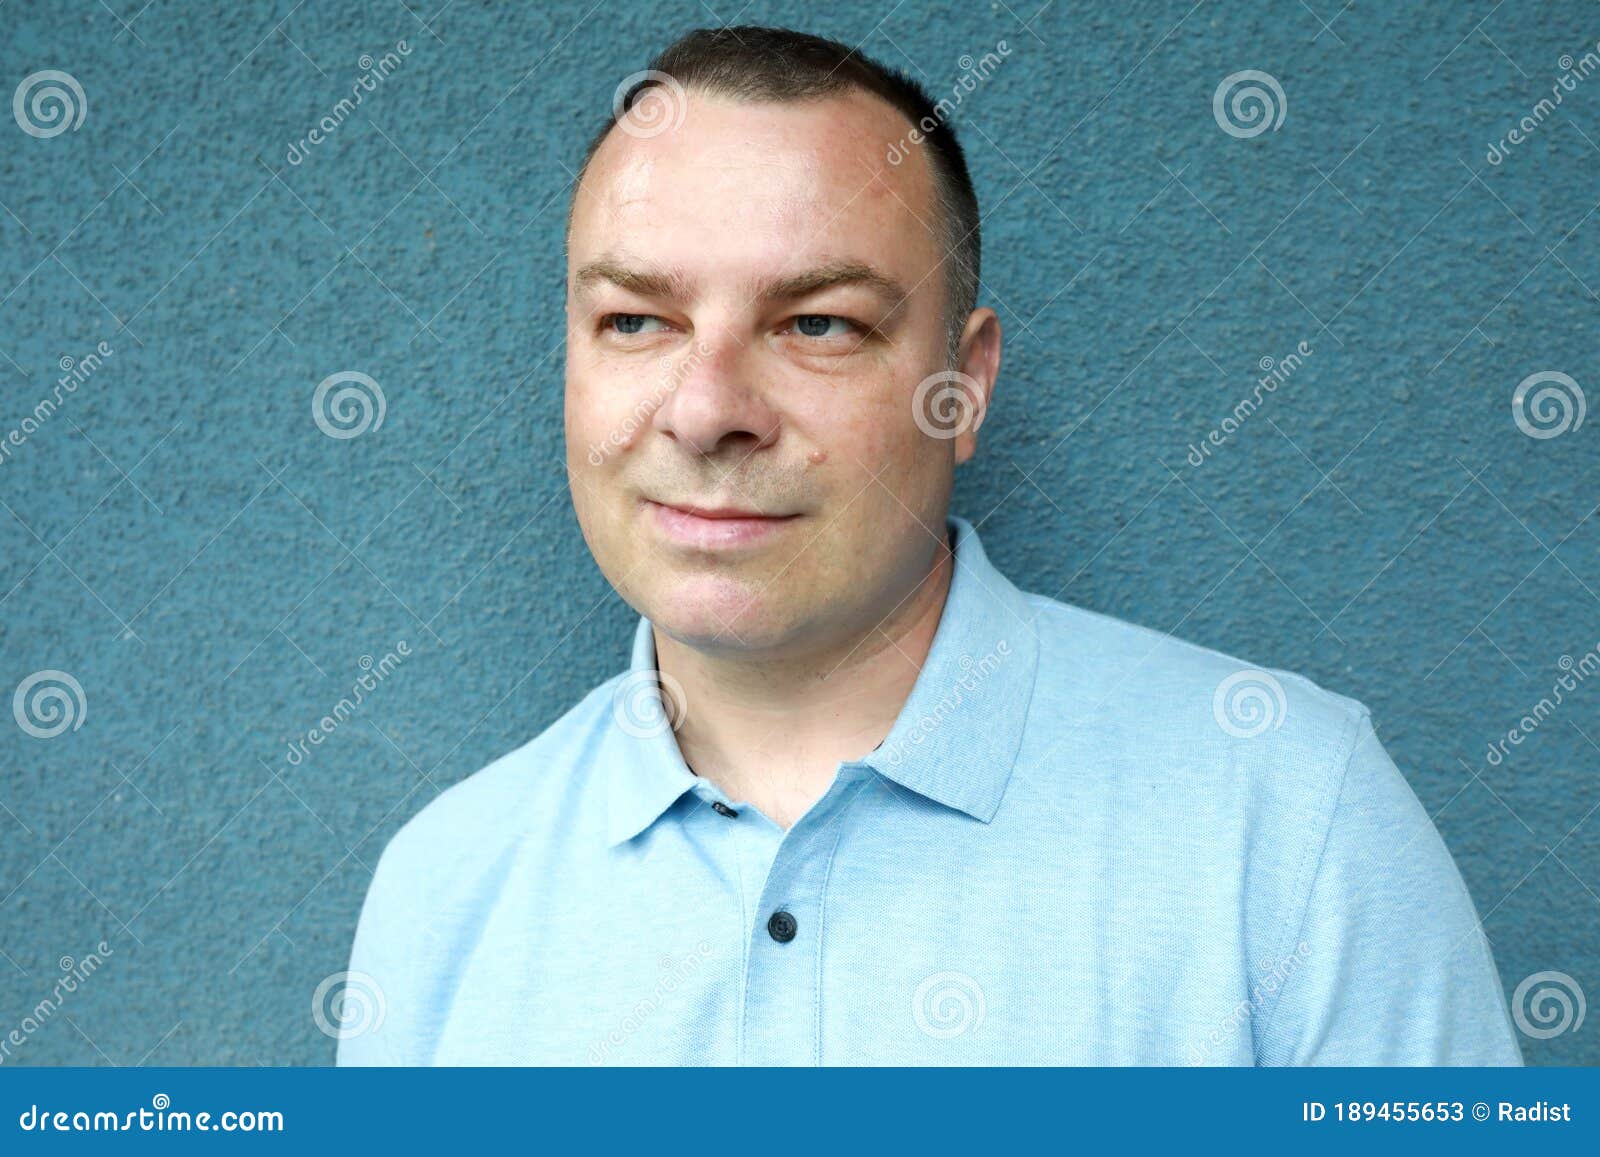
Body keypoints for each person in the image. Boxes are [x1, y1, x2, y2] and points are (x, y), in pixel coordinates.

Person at [337, 26, 1523, 1066]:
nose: (706, 409)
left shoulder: (1288, 817)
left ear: (961, 386)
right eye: (636, 319)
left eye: (816, 323)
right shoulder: (442, 892)